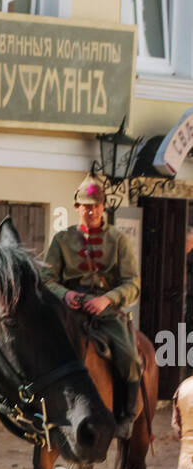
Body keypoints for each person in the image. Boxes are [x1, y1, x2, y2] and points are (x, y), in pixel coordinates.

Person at [43, 175, 141, 437]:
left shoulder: (118, 240)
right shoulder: (62, 240)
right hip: (70, 309)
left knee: (129, 355)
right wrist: (64, 294)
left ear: (103, 207)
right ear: (77, 208)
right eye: (86, 205)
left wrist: (107, 299)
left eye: (96, 205)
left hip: (107, 310)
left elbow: (132, 283)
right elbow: (46, 278)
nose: (91, 210)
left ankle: (127, 414)